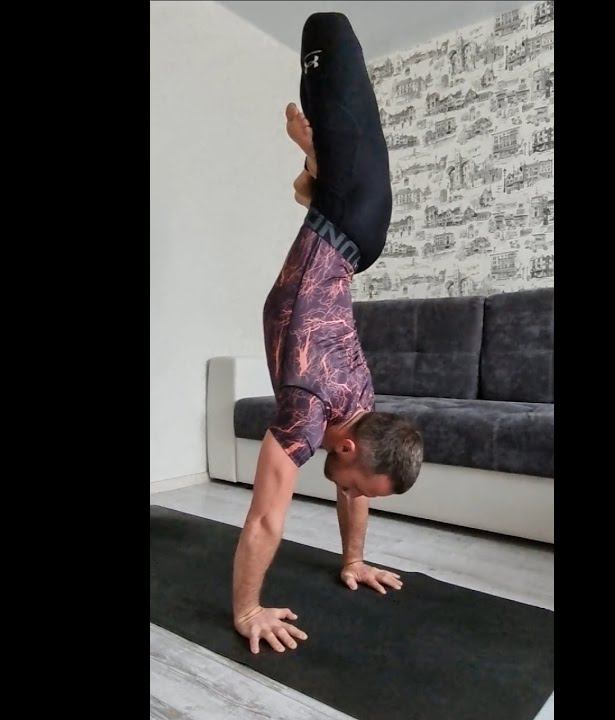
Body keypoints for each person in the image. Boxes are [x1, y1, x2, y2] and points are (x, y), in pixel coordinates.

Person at [231, 12, 425, 656]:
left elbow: (355, 480)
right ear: (346, 446)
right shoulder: (307, 412)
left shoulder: (359, 409)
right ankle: (314, 153)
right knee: (327, 30)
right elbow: (266, 517)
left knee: (310, 158)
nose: (351, 494)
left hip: (354, 225)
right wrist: (249, 609)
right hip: (350, 218)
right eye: (355, 485)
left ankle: (313, 155)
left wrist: (354, 560)